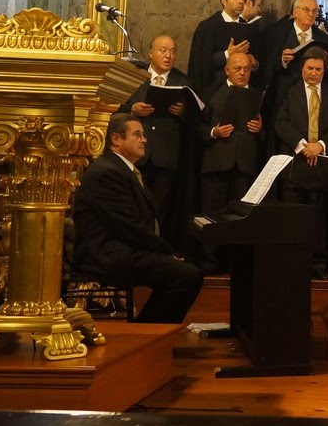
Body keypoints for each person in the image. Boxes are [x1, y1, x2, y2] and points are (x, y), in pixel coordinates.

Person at [72, 114, 203, 323]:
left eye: (143, 135)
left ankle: (150, 328)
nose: (144, 140)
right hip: (105, 254)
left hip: (123, 248)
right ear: (116, 139)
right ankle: (151, 332)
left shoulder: (120, 168)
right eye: (137, 135)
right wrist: (165, 252)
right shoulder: (108, 172)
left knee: (182, 273)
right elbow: (129, 226)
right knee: (187, 275)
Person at [273, 48, 328, 279]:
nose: (314, 73)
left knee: (318, 215)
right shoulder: (290, 92)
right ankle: (293, 264)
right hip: (295, 161)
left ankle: (318, 265)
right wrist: (303, 145)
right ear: (302, 68)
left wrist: (320, 145)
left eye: (318, 69)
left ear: (325, 70)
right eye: (310, 68)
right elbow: (280, 121)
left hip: (321, 162)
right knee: (293, 215)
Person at [120, 35, 193, 248]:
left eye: (172, 51)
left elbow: (195, 119)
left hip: (165, 154)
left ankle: (156, 249)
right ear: (151, 53)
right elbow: (116, 106)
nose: (168, 55)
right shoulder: (135, 77)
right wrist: (131, 110)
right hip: (135, 153)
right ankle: (134, 248)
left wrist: (182, 111)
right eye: (163, 50)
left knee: (160, 207)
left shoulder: (183, 81)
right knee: (134, 204)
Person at [199, 52, 263, 227]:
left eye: (246, 69)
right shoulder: (212, 93)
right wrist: (214, 132)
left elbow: (268, 132)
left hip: (244, 168)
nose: (242, 73)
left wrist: (259, 129)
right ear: (227, 70)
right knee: (213, 221)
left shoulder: (258, 96)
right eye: (237, 68)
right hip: (216, 166)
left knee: (240, 223)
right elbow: (196, 127)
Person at [187, 0, 251, 95]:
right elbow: (199, 63)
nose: (241, 1)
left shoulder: (249, 27)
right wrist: (227, 55)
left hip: (243, 91)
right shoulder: (208, 27)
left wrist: (254, 62)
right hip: (214, 90)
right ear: (224, 1)